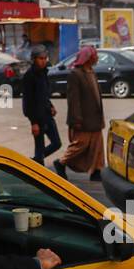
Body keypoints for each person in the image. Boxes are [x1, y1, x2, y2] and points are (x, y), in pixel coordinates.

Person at [54, 45, 105, 181]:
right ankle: (61, 162)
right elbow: (73, 100)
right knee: (80, 144)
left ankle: (96, 170)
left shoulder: (91, 72)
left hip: (96, 118)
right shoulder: (75, 74)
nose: (97, 58)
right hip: (84, 119)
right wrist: (76, 119)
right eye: (95, 55)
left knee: (98, 146)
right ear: (88, 58)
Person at [21, 47, 61, 164]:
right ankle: (38, 163)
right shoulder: (29, 76)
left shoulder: (44, 73)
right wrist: (33, 122)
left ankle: (37, 161)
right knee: (39, 148)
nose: (43, 61)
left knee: (56, 143)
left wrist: (51, 106)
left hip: (47, 115)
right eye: (40, 58)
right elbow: (28, 101)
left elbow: (44, 95)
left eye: (45, 58)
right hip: (37, 118)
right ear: (34, 59)